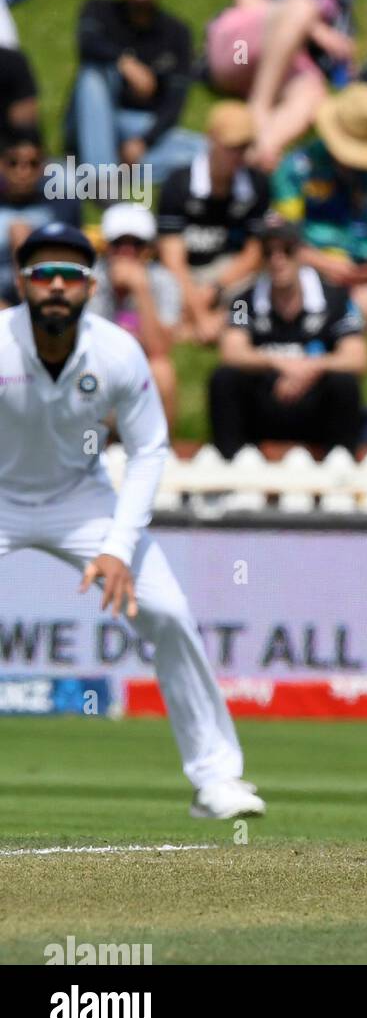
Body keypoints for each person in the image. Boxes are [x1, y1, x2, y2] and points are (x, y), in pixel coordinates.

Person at [1, 220, 265, 820]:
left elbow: (149, 449)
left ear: (91, 287)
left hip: (81, 502)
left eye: (71, 274)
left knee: (169, 612)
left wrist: (118, 546)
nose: (57, 287)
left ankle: (217, 779)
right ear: (23, 283)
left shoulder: (117, 351)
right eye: (44, 275)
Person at [205, 0, 355, 169]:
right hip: (241, 47)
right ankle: (259, 108)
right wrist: (314, 28)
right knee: (302, 6)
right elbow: (246, 1)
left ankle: (261, 151)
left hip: (292, 63)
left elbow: (345, 37)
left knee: (314, 94)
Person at [271, 83, 367, 324]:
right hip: (309, 261)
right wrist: (321, 262)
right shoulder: (300, 166)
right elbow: (283, 231)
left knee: (363, 307)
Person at [209, 214, 366, 458]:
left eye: (286, 251)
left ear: (302, 253)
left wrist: (311, 368)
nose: (277, 260)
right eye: (268, 253)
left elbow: (357, 358)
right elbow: (231, 351)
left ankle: (342, 468)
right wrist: (279, 364)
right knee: (224, 378)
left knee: (344, 383)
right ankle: (230, 466)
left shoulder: (335, 298)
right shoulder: (244, 300)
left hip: (314, 405)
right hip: (266, 402)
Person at [68, 0, 199, 177]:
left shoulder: (178, 32)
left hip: (139, 125)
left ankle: (111, 166)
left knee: (202, 151)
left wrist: (143, 142)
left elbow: (175, 101)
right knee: (92, 74)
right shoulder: (97, 10)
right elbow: (86, 45)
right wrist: (125, 63)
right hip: (93, 116)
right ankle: (102, 180)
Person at [156, 101, 269, 344]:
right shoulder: (178, 184)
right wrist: (199, 310)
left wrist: (215, 289)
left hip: (227, 275)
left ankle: (216, 328)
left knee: (255, 287)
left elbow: (253, 254)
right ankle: (211, 326)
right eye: (232, 147)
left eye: (244, 147)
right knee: (160, 286)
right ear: (211, 139)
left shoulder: (257, 184)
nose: (238, 156)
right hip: (183, 273)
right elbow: (172, 259)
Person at [87, 203, 181, 429]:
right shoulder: (90, 281)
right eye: (118, 244)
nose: (126, 252)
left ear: (148, 249)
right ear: (106, 247)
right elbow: (88, 345)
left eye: (136, 244)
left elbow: (159, 349)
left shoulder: (164, 281)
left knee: (162, 370)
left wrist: (141, 290)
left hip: (140, 371)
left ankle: (159, 451)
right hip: (97, 372)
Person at [0, 125, 81, 306]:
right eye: (14, 163)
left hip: (49, 292)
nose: (23, 171)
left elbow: (72, 259)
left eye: (32, 164)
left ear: (43, 167)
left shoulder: (61, 208)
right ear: (1, 165)